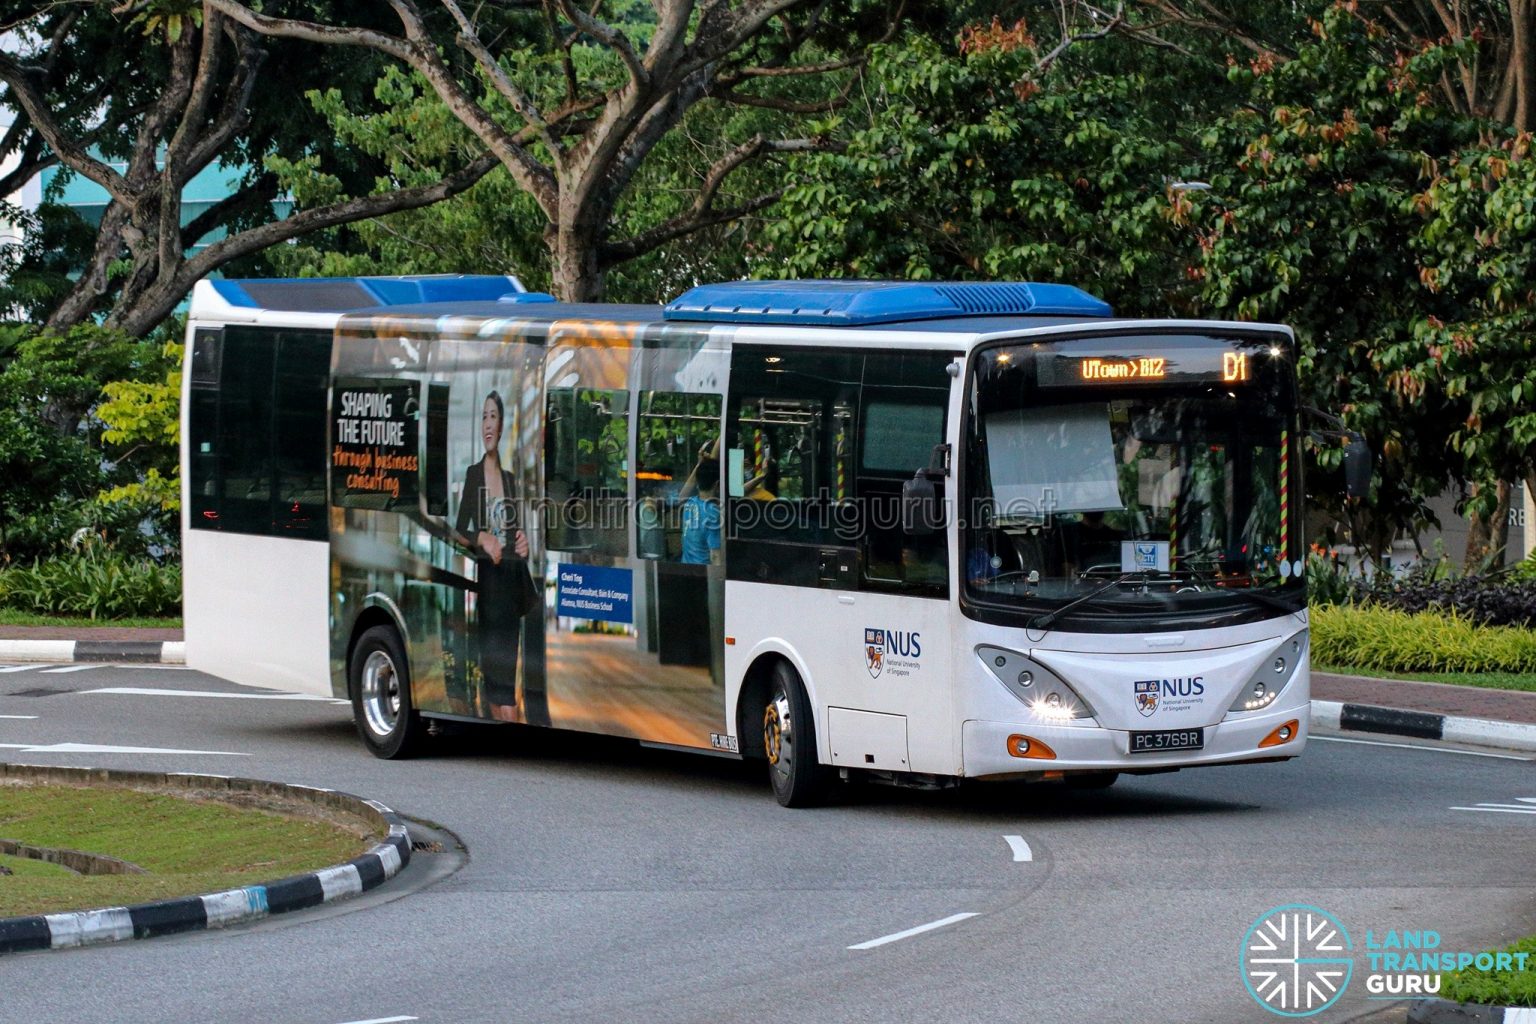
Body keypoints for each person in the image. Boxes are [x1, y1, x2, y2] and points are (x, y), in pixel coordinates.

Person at [454, 391, 532, 722]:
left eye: (493, 417)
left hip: (511, 586)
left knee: (507, 682)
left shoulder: (511, 481)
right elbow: (459, 529)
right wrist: (481, 538)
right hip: (488, 585)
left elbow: (516, 532)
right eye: (484, 416)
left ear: (501, 427)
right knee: (492, 676)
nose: (488, 423)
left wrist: (523, 543)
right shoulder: (474, 475)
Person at [680, 458, 721, 565]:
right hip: (703, 573)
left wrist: (699, 464)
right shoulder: (714, 513)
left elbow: (682, 494)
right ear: (717, 485)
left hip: (686, 569)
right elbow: (715, 555)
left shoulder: (689, 503)